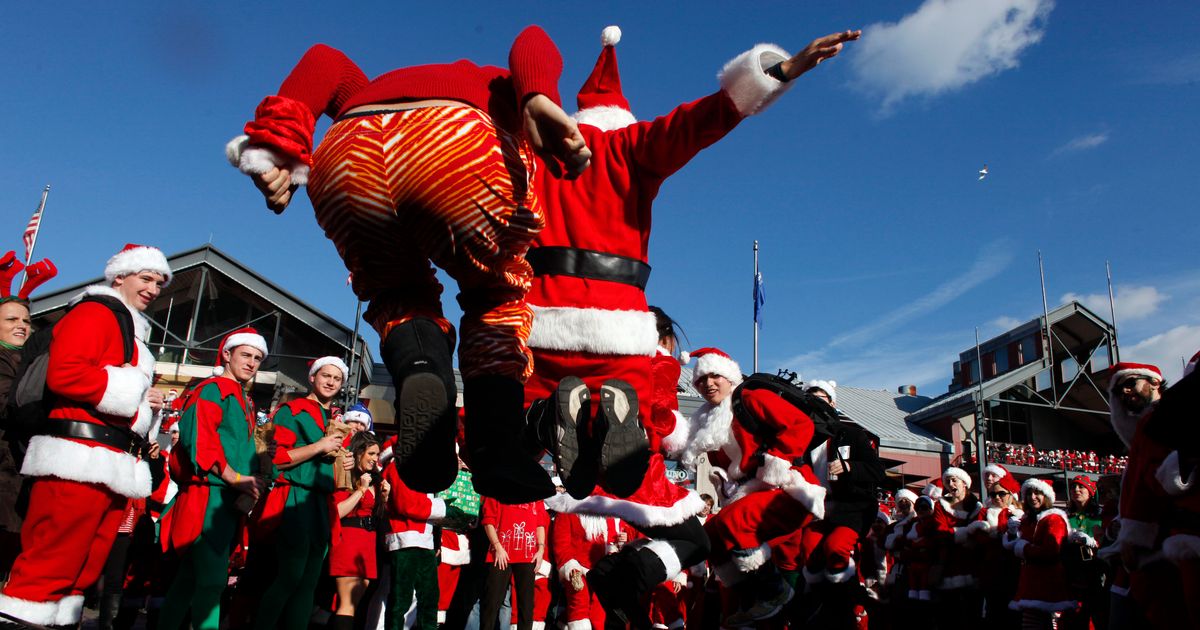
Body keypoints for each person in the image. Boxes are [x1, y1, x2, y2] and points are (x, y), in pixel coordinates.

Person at [229, 26, 592, 503]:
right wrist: (538, 94)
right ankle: (496, 444)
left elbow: (325, 60)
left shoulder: (378, 89)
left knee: (397, 293)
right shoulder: (493, 82)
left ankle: (422, 370)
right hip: (456, 139)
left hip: (347, 149)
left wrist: (280, 141)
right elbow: (533, 39)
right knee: (495, 295)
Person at [0, 244, 167, 628]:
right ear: (119, 276)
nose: (154, 288)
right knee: (46, 571)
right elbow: (66, 374)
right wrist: (130, 389)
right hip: (76, 460)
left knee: (81, 576)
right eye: (146, 278)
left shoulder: (131, 330)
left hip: (108, 464)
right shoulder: (95, 310)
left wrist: (142, 404)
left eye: (159, 282)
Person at [672, 348, 825, 626]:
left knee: (734, 521)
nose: (708, 383)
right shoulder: (708, 421)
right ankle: (755, 599)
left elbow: (800, 425)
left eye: (715, 375)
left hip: (791, 488)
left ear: (730, 376)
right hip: (756, 494)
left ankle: (776, 594)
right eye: (701, 379)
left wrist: (775, 463)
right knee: (709, 538)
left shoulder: (750, 398)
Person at [159, 327, 270, 630]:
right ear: (227, 354)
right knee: (211, 582)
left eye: (258, 358)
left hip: (223, 496)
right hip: (210, 497)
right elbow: (202, 442)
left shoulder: (241, 397)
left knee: (189, 581)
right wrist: (236, 478)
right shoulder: (213, 389)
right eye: (246, 355)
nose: (251, 362)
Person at [252, 356, 350, 629]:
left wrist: (347, 464)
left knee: (309, 583)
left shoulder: (333, 418)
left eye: (337, 378)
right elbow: (279, 459)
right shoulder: (292, 410)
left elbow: (333, 466)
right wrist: (320, 445)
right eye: (326, 376)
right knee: (290, 577)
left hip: (321, 505)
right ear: (313, 378)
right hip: (296, 499)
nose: (331, 382)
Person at [795, 380, 885, 629]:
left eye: (820, 399)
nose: (814, 404)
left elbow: (878, 471)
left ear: (832, 403)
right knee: (809, 552)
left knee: (836, 548)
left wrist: (849, 467)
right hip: (819, 509)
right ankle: (824, 610)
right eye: (809, 400)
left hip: (851, 508)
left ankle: (852, 606)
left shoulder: (851, 433)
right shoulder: (803, 439)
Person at [0, 251, 56, 579]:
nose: (22, 326)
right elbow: (8, 401)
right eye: (11, 320)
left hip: (19, 478)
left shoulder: (28, 361)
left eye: (25, 320)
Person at [381, 449, 451, 630]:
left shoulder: (421, 469)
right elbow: (406, 504)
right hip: (405, 539)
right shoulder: (399, 466)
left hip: (424, 541)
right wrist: (443, 507)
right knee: (401, 599)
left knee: (429, 599)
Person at [330, 431, 388, 630]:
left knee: (356, 606)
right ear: (359, 452)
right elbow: (337, 511)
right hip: (349, 541)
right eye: (371, 454)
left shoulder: (375, 479)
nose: (375, 459)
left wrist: (384, 497)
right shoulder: (346, 474)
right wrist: (361, 490)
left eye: (377, 455)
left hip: (367, 545)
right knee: (347, 605)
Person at [1006, 478, 1075, 629]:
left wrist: (1023, 548)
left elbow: (1051, 551)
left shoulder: (1053, 519)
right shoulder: (1028, 519)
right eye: (1029, 493)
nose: (1032, 497)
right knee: (1031, 624)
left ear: (1047, 496)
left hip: (1048, 583)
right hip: (1030, 582)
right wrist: (1011, 535)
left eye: (1037, 493)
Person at [477, 495, 548, 630]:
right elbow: (488, 521)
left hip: (528, 555)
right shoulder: (496, 491)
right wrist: (497, 546)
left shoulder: (535, 494)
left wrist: (541, 548)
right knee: (492, 601)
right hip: (501, 553)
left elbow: (540, 523)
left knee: (526, 605)